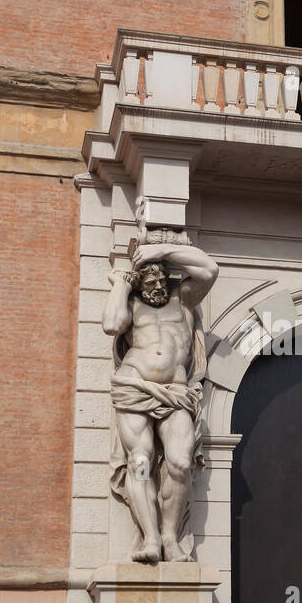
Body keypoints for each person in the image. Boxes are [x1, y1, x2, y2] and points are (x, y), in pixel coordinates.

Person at [102, 233, 219, 563]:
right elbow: (111, 326)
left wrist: (162, 250)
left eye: (161, 280)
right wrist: (121, 284)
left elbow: (209, 270)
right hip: (134, 386)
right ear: (139, 285)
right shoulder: (131, 305)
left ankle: (170, 535)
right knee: (140, 461)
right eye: (149, 282)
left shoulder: (182, 299)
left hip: (176, 392)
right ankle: (152, 539)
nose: (157, 287)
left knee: (180, 463)